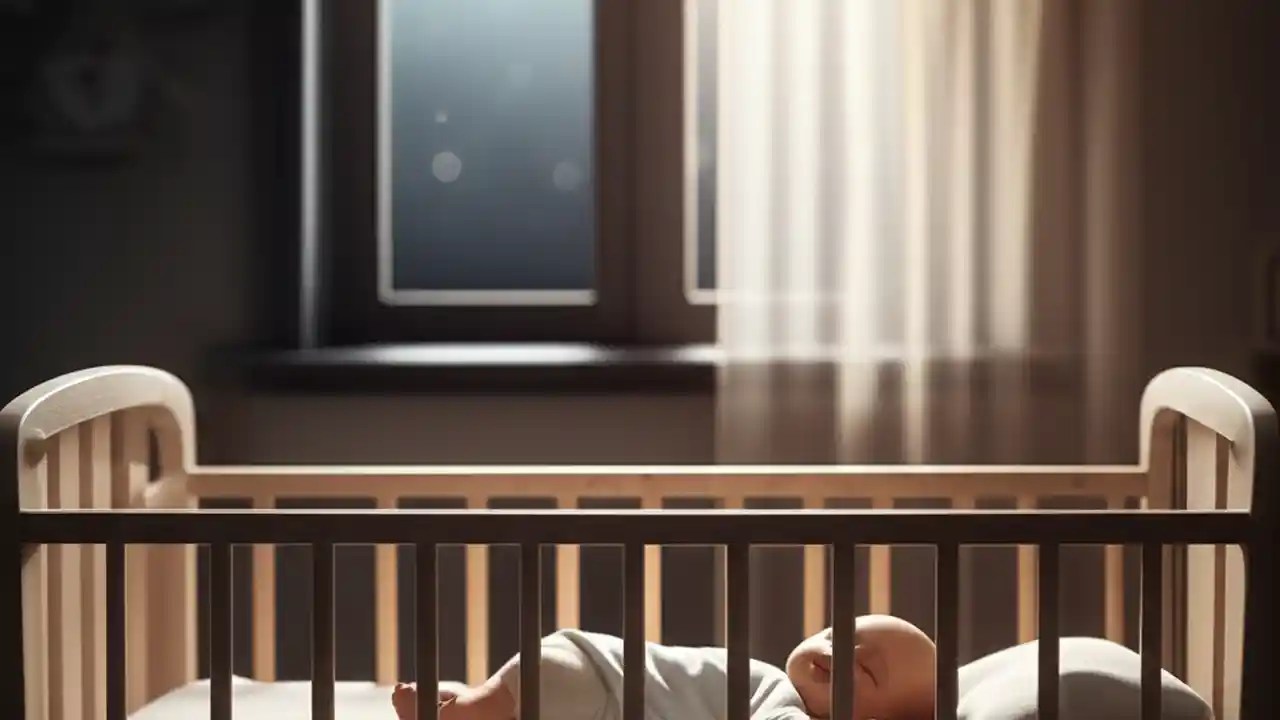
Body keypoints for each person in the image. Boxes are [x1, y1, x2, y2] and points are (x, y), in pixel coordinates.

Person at [392, 614, 938, 720]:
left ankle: (465, 696)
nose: (836, 655)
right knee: (485, 712)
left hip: (575, 672)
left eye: (866, 671)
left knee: (506, 703)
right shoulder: (780, 699)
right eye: (837, 637)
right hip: (590, 682)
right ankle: (460, 707)